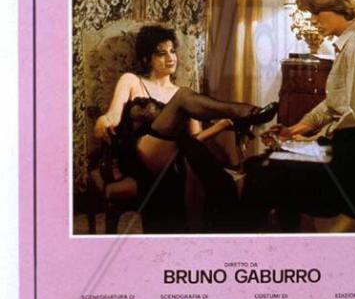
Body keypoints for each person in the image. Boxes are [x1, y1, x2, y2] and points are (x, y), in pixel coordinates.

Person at [242, 0, 355, 231]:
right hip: (351, 147)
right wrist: (294, 130)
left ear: (337, 4)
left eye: (316, 12)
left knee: (260, 172)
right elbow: (332, 104)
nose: (312, 20)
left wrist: (310, 140)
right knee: (268, 165)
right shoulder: (352, 41)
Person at [94, 25, 277, 233]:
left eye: (172, 51)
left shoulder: (186, 97)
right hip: (139, 155)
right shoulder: (132, 81)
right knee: (183, 97)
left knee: (189, 137)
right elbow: (113, 115)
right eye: (161, 53)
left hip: (173, 158)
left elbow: (194, 139)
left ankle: (216, 228)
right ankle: (248, 112)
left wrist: (222, 125)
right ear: (146, 58)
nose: (170, 58)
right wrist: (103, 120)